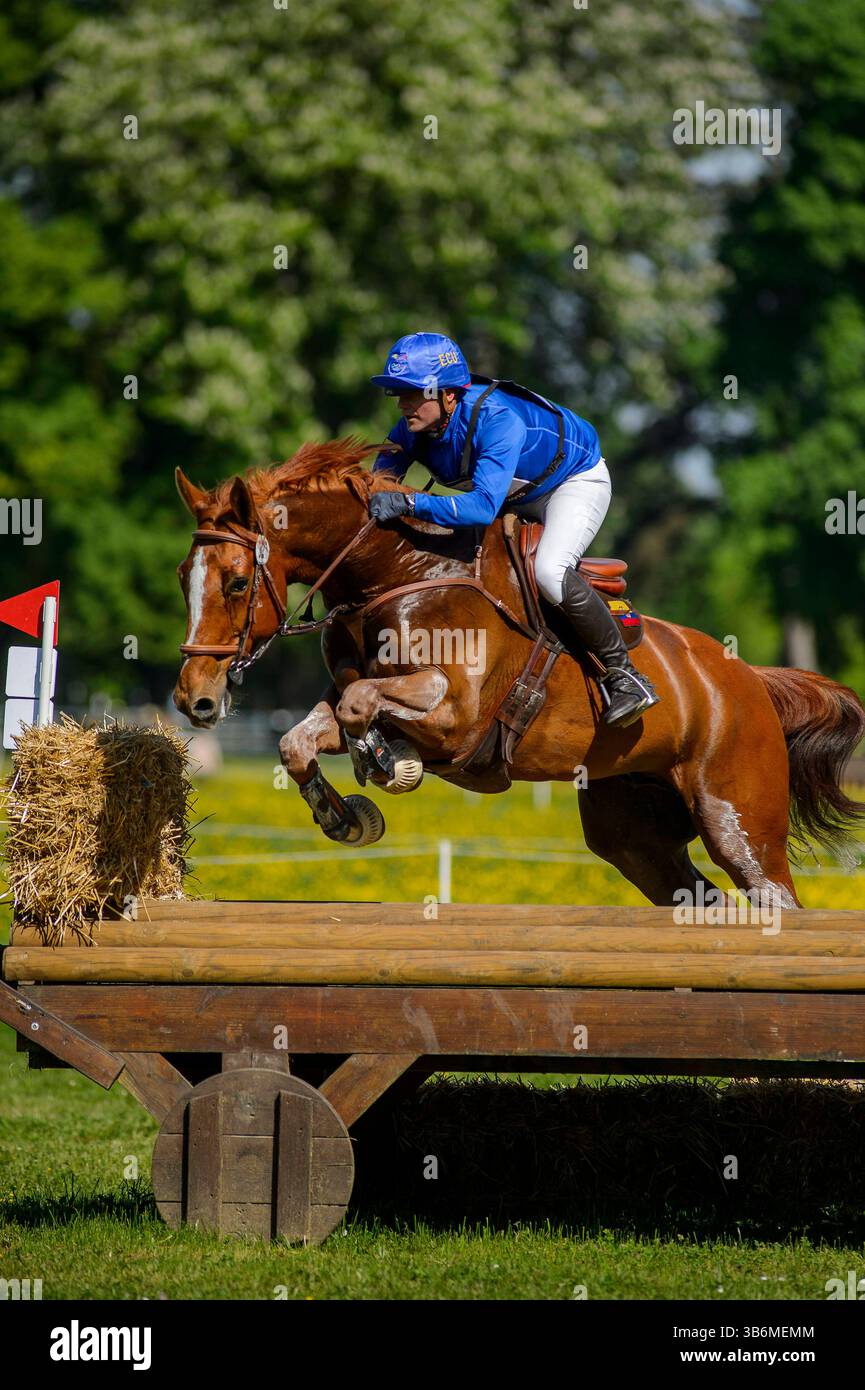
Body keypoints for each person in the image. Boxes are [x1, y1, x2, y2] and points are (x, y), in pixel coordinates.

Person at [367, 332, 659, 729]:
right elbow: (374, 488)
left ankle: (625, 675)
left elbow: (482, 508)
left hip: (573, 482)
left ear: (448, 395)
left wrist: (410, 502)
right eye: (399, 393)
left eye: (413, 393)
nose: (402, 404)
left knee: (549, 572)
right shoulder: (412, 427)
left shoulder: (497, 419)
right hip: (516, 495)